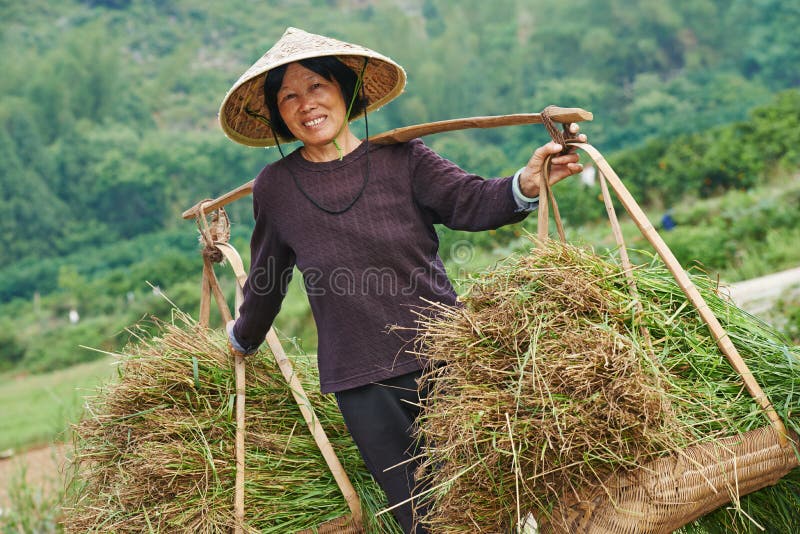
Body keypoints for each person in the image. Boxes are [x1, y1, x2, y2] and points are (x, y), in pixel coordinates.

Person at [220, 27, 586, 534]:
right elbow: (267, 279)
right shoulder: (276, 187)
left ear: (344, 93)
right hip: (362, 380)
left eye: (317, 87)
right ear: (278, 114)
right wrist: (242, 337)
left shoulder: (404, 158)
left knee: (491, 499)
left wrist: (527, 183)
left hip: (448, 358)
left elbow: (472, 201)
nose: (306, 105)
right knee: (422, 520)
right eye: (289, 96)